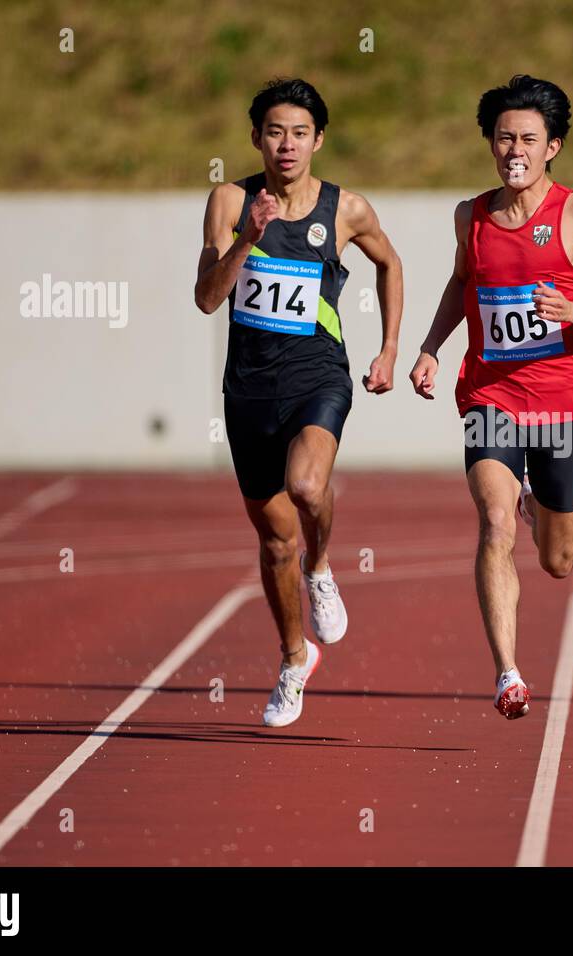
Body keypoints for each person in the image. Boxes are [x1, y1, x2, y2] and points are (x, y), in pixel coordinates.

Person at [408, 75, 573, 720]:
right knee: (494, 523)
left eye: (529, 138)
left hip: (562, 404)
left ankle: (541, 506)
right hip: (491, 396)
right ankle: (507, 672)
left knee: (559, 562)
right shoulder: (470, 216)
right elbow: (460, 284)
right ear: (490, 142)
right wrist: (430, 347)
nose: (515, 148)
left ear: (552, 146)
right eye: (505, 136)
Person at [194, 78, 403, 727]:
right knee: (273, 541)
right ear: (256, 138)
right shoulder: (231, 199)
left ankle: (324, 568)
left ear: (319, 139)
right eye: (275, 132)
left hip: (319, 376)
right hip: (248, 390)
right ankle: (293, 657)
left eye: (300, 132)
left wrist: (390, 349)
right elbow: (206, 297)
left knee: (307, 487)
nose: (287, 144)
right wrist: (247, 238)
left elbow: (390, 264)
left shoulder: (346, 209)